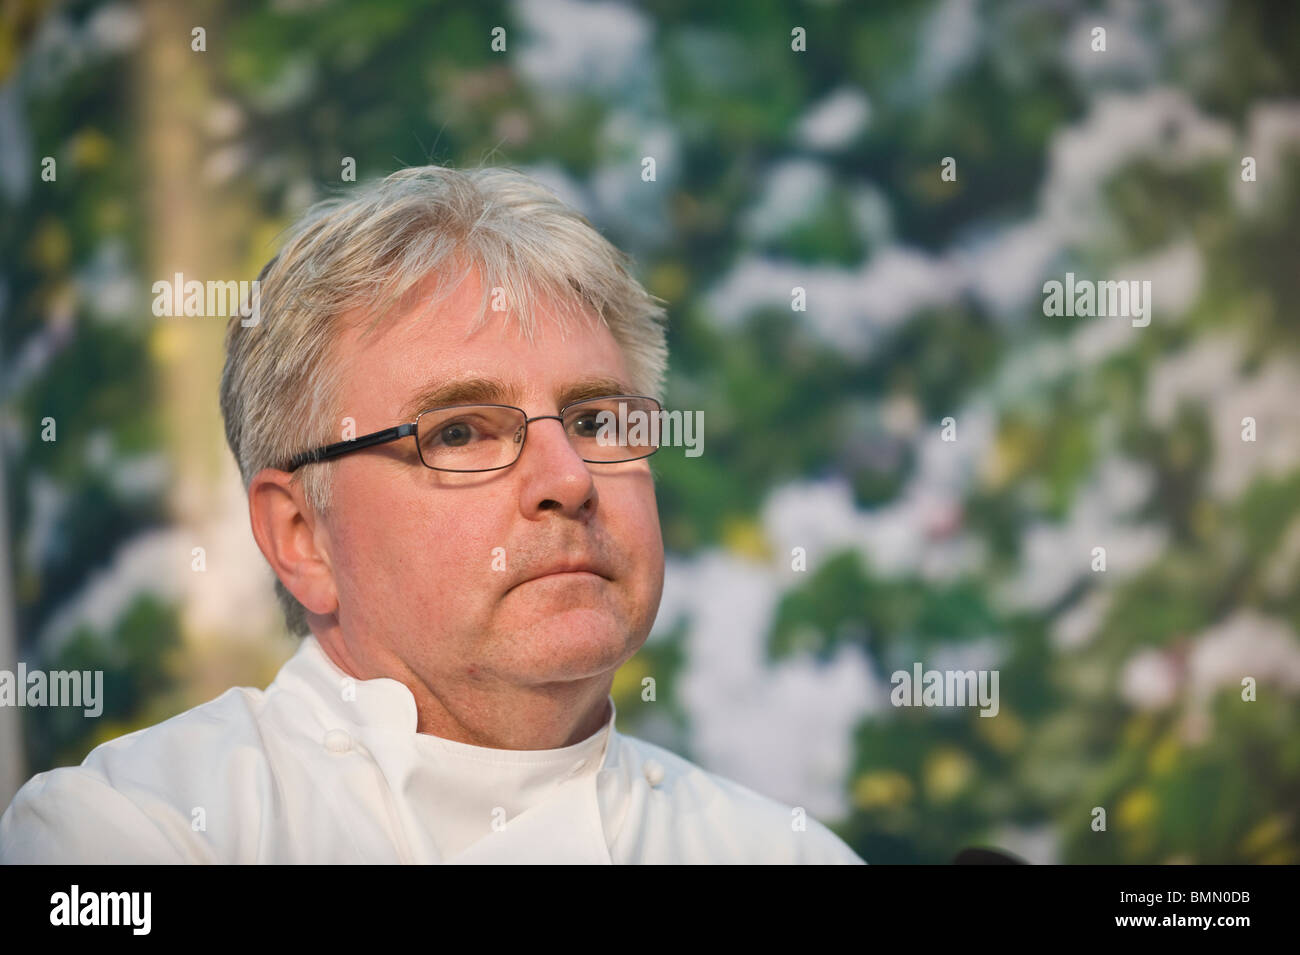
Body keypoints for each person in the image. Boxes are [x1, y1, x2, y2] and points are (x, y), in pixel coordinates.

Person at [0, 165, 865, 864]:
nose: (567, 478)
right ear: (302, 538)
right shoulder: (136, 834)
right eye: (458, 432)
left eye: (597, 421)